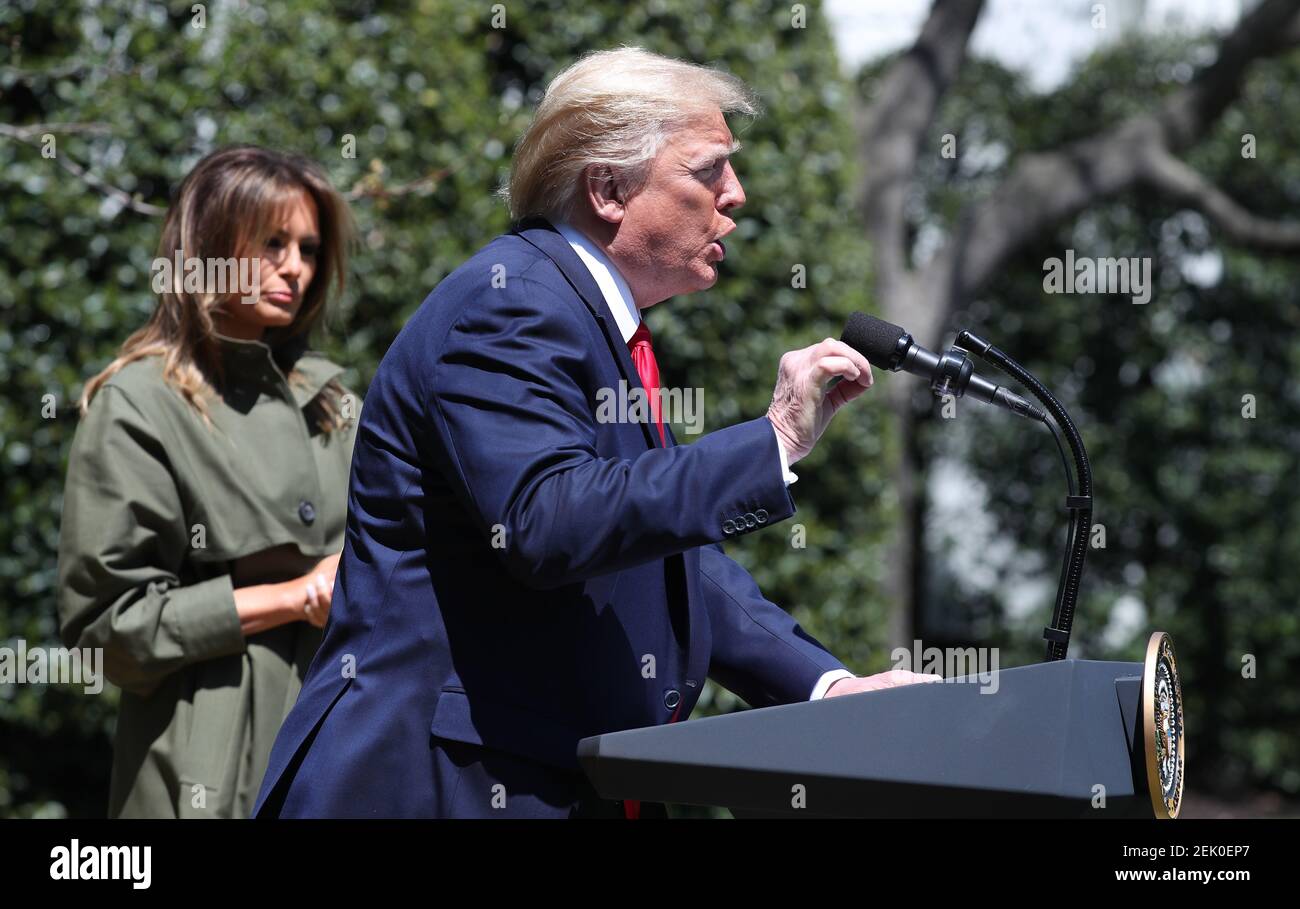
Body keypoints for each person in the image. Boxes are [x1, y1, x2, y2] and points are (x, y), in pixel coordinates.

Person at [255, 48, 934, 820]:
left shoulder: (585, 318)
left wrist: (828, 686)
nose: (736, 196)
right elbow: (544, 520)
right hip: (436, 785)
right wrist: (773, 436)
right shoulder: (510, 305)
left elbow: (675, 565)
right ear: (608, 189)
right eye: (709, 170)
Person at [57, 145, 359, 818]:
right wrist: (292, 595)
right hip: (205, 769)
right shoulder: (138, 403)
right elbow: (107, 629)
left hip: (342, 749)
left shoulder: (333, 402)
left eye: (308, 248)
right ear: (209, 247)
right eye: (272, 242)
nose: (296, 267)